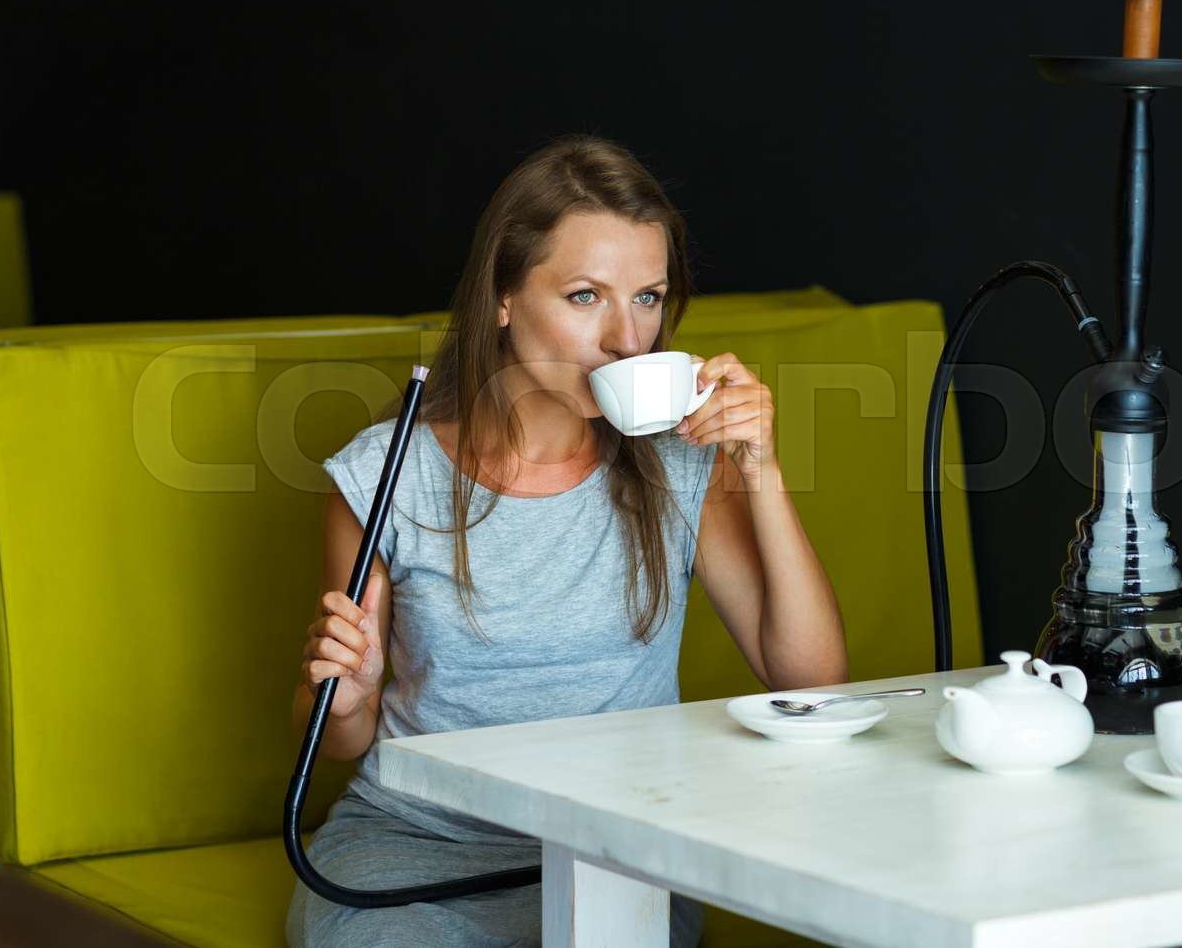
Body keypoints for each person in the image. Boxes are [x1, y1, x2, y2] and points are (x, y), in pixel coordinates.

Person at [285, 134, 848, 946]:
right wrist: (351, 692)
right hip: (414, 843)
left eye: (648, 297)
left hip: (614, 845)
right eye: (586, 296)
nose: (627, 338)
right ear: (503, 297)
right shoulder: (384, 472)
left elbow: (811, 677)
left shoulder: (683, 461)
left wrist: (760, 465)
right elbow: (341, 738)